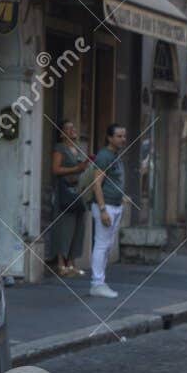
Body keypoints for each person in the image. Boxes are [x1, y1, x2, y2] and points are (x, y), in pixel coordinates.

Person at [88, 123, 130, 299]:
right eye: (119, 136)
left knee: (107, 246)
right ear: (109, 138)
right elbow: (96, 184)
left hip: (115, 205)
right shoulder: (104, 156)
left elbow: (112, 181)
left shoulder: (115, 155)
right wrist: (103, 209)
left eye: (124, 136)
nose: (123, 139)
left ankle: (100, 281)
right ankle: (97, 283)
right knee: (101, 244)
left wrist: (121, 196)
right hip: (106, 207)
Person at [48, 121, 91, 277]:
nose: (73, 130)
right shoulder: (60, 148)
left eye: (74, 127)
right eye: (69, 128)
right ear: (62, 133)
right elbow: (55, 169)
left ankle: (72, 264)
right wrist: (76, 168)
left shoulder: (78, 149)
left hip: (79, 192)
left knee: (78, 227)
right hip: (65, 192)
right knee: (64, 227)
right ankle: (61, 264)